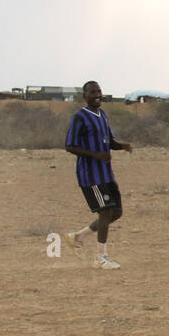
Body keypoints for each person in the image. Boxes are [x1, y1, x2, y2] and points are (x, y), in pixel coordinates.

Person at [64, 81, 132, 269]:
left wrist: (122, 146)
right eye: (92, 92)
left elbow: (109, 141)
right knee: (105, 212)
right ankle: (100, 257)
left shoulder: (102, 115)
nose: (97, 95)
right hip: (91, 175)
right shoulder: (79, 117)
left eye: (99, 91)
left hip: (106, 174)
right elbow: (69, 146)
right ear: (85, 95)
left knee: (116, 212)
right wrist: (96, 155)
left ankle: (78, 237)